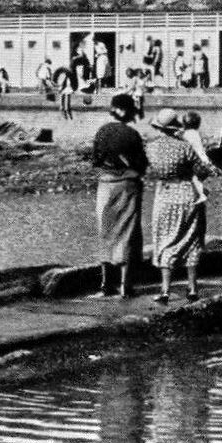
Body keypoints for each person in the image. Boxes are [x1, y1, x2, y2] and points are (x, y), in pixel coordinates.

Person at [146, 108, 210, 304]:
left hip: (164, 195)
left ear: (159, 127)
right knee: (191, 240)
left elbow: (149, 170)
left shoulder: (150, 148)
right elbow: (201, 171)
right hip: (186, 194)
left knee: (165, 241)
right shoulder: (185, 147)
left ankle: (165, 291)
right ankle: (192, 288)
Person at [92, 93, 149, 299]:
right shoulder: (132, 134)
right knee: (127, 232)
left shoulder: (102, 132)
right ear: (125, 111)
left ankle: (105, 284)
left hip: (105, 184)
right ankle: (126, 285)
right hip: (128, 185)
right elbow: (141, 163)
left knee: (105, 231)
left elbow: (96, 160)